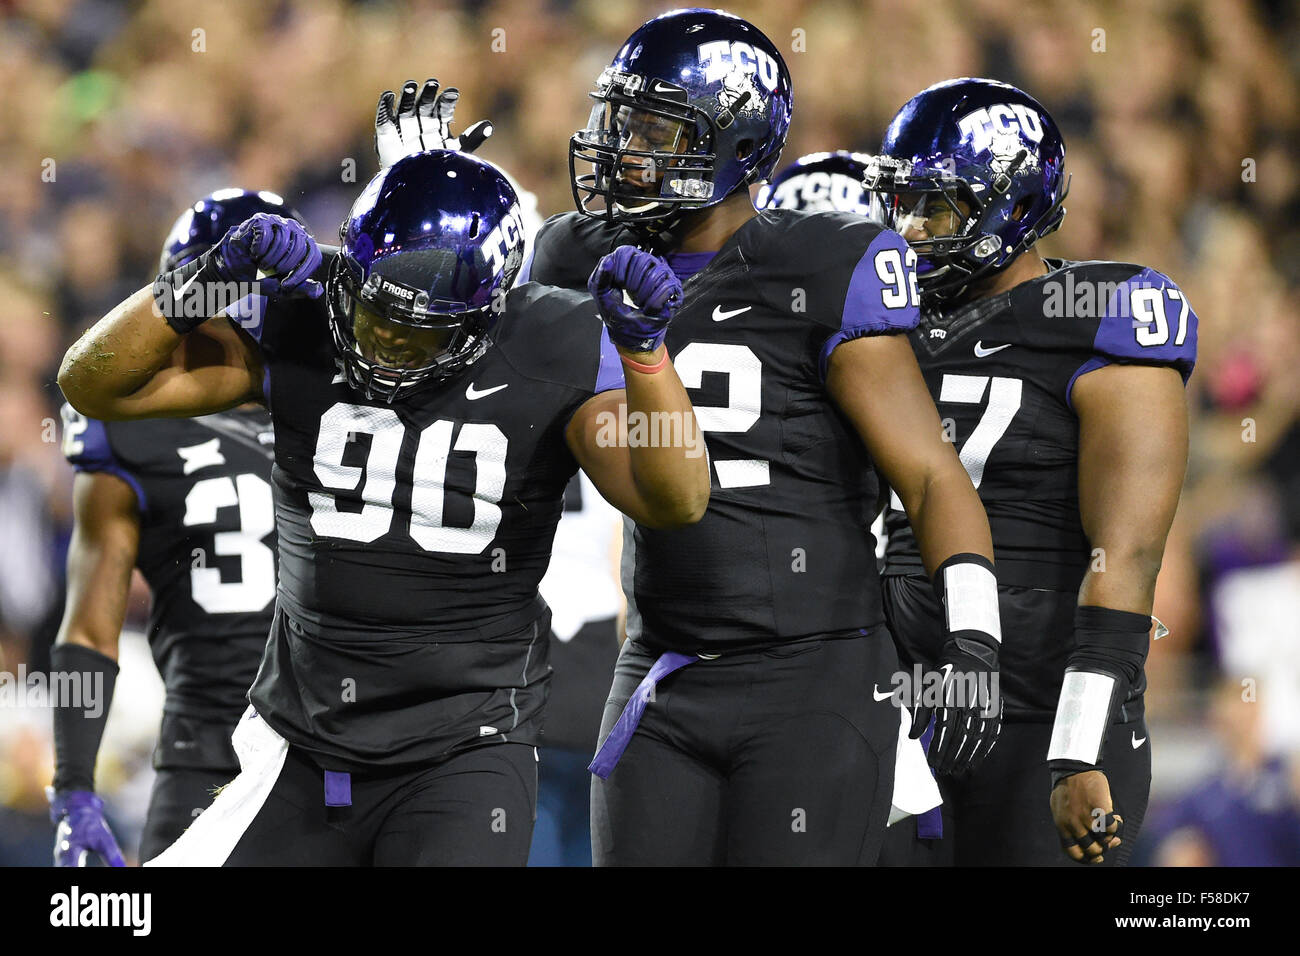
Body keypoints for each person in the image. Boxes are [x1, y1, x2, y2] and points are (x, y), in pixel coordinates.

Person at [58, 149, 709, 866]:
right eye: (374, 311)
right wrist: (205, 278)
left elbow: (676, 500)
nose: (386, 342)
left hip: (464, 751)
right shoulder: (305, 317)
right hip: (302, 747)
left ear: (489, 314)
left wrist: (647, 357)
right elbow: (94, 384)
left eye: (418, 329)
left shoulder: (552, 342)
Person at [530, 8, 1002, 865]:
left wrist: (974, 636)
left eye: (654, 128)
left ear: (737, 144)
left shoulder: (822, 261)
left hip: (812, 679)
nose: (623, 149)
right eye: (617, 120)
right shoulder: (573, 257)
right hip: (661, 666)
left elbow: (928, 475)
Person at [865, 77, 1197, 865]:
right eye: (902, 203)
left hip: (1037, 704)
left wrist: (1076, 750)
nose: (910, 229)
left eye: (935, 207)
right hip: (894, 701)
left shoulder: (1103, 318)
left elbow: (1126, 560)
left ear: (1008, 206)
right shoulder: (878, 322)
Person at [47, 189, 299, 866]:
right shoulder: (131, 423)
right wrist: (73, 788)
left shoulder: (338, 404)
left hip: (334, 760)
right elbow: (90, 630)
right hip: (208, 759)